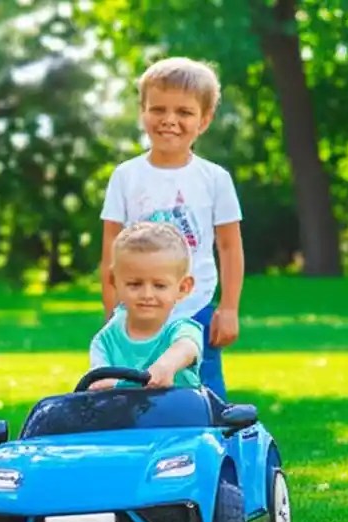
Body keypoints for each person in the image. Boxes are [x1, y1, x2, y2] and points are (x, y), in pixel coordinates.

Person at [99, 56, 243, 399]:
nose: (169, 120)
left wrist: (229, 308)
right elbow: (110, 247)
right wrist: (111, 309)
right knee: (134, 389)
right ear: (143, 112)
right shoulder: (126, 176)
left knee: (206, 393)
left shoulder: (215, 179)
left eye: (184, 112)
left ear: (204, 120)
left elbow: (229, 247)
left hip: (196, 306)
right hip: (136, 309)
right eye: (158, 109)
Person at [88, 222, 203, 390]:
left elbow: (187, 347)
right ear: (114, 281)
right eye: (135, 284)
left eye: (159, 286)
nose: (147, 295)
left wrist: (166, 366)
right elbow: (98, 384)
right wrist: (133, 384)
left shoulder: (181, 328)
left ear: (183, 287)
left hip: (179, 407)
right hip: (124, 408)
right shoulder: (106, 339)